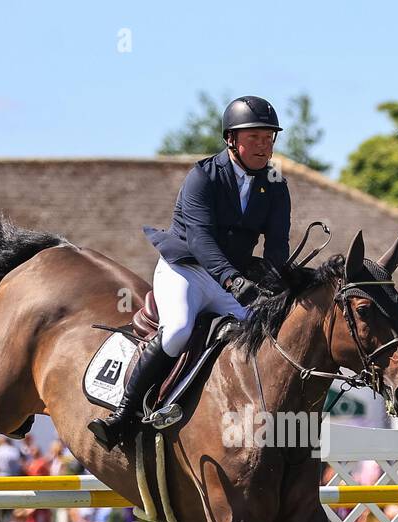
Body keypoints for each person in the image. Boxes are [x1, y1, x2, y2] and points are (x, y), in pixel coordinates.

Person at [89, 95, 292, 450]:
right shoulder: (203, 177)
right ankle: (123, 415)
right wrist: (233, 281)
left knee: (264, 334)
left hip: (233, 279)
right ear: (232, 139)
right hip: (186, 270)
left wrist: (277, 285)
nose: (264, 145)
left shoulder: (275, 184)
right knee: (179, 329)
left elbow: (277, 245)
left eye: (268, 137)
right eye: (255, 137)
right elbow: (201, 241)